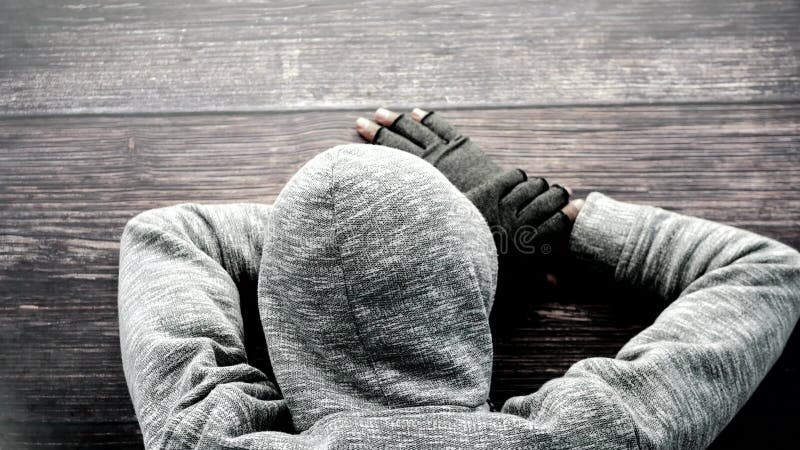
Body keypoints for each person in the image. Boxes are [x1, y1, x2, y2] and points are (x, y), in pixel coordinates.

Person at [117, 108, 800, 449]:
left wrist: (319, 239)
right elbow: (766, 273)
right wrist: (535, 225)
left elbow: (165, 236)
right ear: (480, 283)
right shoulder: (596, 435)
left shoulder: (203, 438)